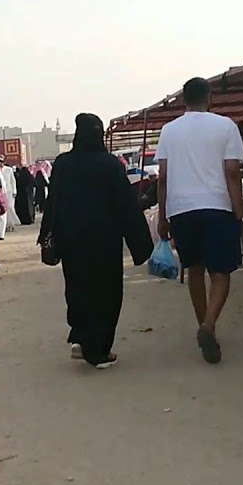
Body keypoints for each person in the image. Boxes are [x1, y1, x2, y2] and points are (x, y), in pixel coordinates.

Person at [40, 114, 153, 368]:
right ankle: (99, 349)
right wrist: (140, 244)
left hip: (72, 241)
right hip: (104, 242)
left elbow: (53, 202)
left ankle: (80, 336)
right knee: (106, 293)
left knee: (78, 289)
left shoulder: (63, 163)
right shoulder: (109, 165)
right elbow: (125, 206)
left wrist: (48, 234)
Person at [155, 77, 243, 364]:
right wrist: (238, 207)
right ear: (210, 98)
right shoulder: (226, 126)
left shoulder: (169, 131)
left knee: (194, 268)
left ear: (183, 100)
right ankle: (208, 325)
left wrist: (163, 215)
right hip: (217, 206)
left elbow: (163, 177)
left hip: (181, 209)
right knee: (220, 273)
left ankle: (206, 327)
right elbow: (232, 172)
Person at [0, 155, 18, 239]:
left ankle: (11, 224)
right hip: (0, 193)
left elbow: (13, 181)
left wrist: (14, 190)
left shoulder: (9, 169)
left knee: (10, 208)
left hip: (9, 192)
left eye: (1, 161)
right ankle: (2, 230)